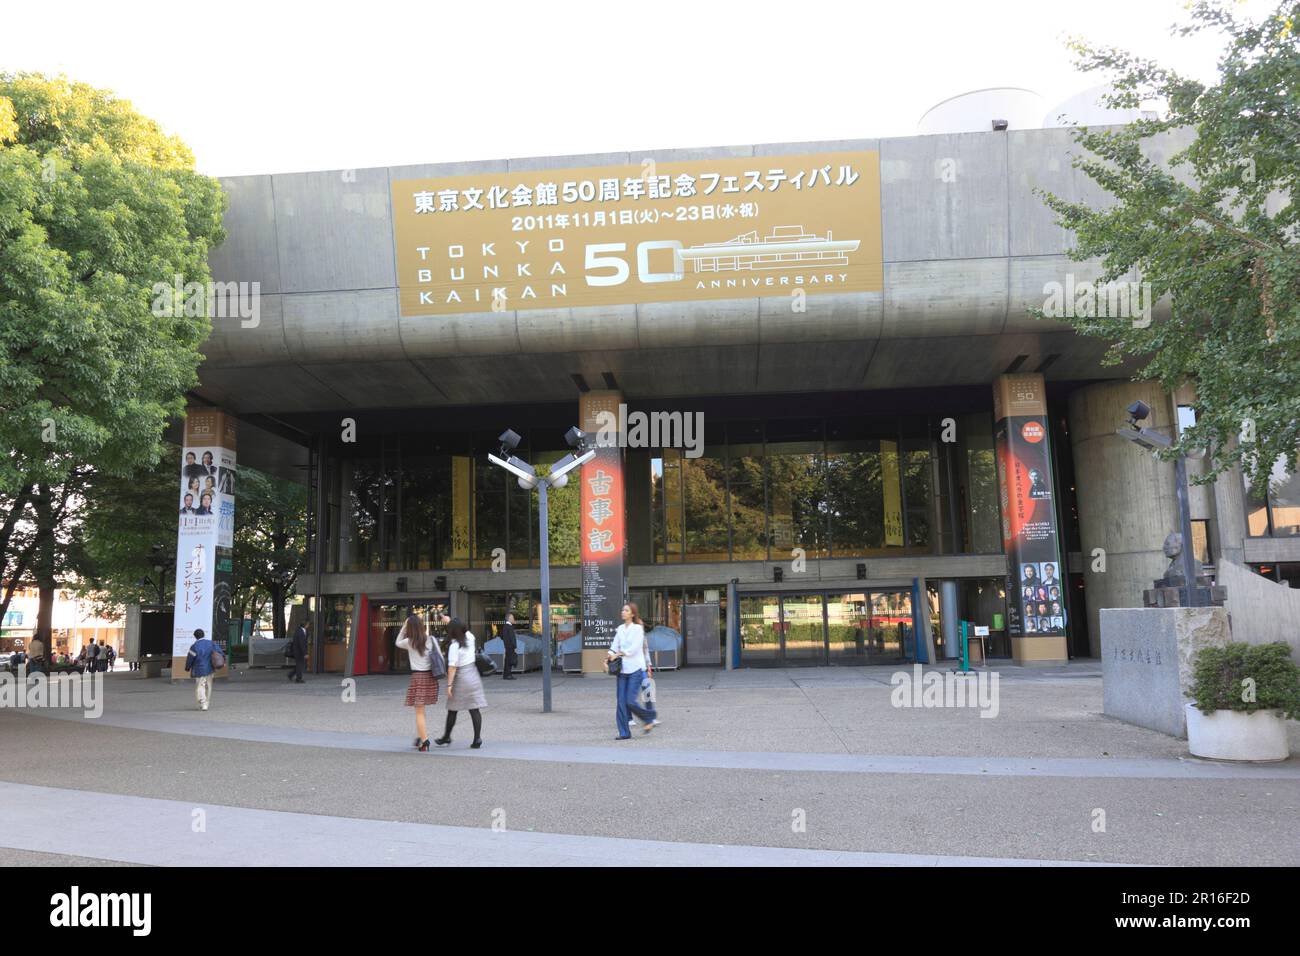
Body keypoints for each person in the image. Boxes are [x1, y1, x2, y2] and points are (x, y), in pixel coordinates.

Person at [606, 602, 659, 739]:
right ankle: (624, 733)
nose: (623, 612)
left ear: (632, 614)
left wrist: (617, 654)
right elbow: (614, 646)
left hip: (636, 669)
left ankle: (650, 716)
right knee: (621, 702)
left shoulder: (637, 629)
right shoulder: (620, 629)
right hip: (622, 670)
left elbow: (633, 649)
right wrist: (609, 656)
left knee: (630, 701)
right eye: (623, 609)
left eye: (626, 610)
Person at [434, 617, 486, 749]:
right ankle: (477, 738)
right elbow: (463, 629)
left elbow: (452, 668)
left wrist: (449, 685)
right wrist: (450, 621)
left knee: (452, 709)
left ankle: (446, 737)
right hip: (473, 674)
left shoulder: (454, 646)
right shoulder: (470, 638)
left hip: (461, 677)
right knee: (474, 708)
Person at [395, 613, 441, 751]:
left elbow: (397, 642)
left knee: (419, 712)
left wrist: (404, 626)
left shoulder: (409, 642)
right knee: (422, 711)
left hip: (418, 678)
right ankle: (421, 736)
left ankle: (425, 741)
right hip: (430, 677)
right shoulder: (430, 639)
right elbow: (439, 655)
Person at [184, 628, 219, 710]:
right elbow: (219, 652)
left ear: (195, 637)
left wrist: (187, 667)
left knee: (200, 686)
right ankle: (207, 702)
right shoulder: (211, 643)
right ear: (203, 635)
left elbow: (190, 658)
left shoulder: (194, 646)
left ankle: (203, 703)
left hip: (199, 669)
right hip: (210, 668)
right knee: (209, 686)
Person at [500, 612, 518, 680]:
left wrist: (505, 641)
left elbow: (501, 636)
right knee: (510, 661)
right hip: (510, 647)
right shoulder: (509, 627)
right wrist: (515, 646)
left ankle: (506, 674)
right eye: (513, 618)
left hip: (507, 646)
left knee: (507, 660)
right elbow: (512, 638)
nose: (514, 619)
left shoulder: (504, 627)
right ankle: (508, 675)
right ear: (509, 619)